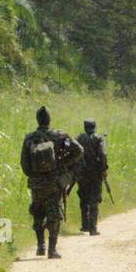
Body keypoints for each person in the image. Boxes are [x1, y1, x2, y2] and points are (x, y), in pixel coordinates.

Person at [20, 106, 82, 257]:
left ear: (37, 120)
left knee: (38, 212)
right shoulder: (59, 135)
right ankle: (52, 250)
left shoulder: (29, 138)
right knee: (54, 213)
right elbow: (79, 150)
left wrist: (34, 174)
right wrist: (63, 163)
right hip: (55, 182)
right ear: (49, 120)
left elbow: (24, 163)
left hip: (36, 183)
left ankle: (40, 246)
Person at [75, 119, 109, 235]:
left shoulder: (79, 138)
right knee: (94, 199)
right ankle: (92, 228)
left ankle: (84, 225)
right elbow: (103, 154)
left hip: (82, 173)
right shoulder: (99, 139)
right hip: (95, 174)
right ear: (94, 127)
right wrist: (104, 168)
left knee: (83, 198)